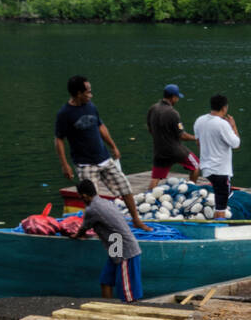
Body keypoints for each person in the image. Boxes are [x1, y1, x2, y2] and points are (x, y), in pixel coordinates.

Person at [54, 75, 149, 230]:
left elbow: (100, 126)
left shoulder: (91, 106)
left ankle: (136, 220)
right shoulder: (65, 113)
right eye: (88, 92)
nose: (91, 95)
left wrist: (113, 146)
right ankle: (95, 229)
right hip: (85, 163)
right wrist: (65, 165)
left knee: (125, 187)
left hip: (104, 158)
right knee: (92, 201)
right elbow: (58, 140)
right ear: (78, 93)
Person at [74, 178, 143, 302]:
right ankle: (107, 307)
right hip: (115, 248)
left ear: (84, 196)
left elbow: (83, 228)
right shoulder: (105, 202)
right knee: (105, 281)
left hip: (125, 250)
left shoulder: (92, 209)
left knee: (129, 295)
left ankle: (129, 317)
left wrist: (76, 236)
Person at [194, 94, 240, 219]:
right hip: (220, 170)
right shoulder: (223, 124)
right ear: (224, 108)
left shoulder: (199, 121)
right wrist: (233, 126)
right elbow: (236, 144)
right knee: (221, 206)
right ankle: (219, 230)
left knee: (219, 204)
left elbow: (198, 143)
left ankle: (216, 223)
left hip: (206, 169)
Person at [146, 84, 200, 188]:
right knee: (196, 166)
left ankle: (148, 197)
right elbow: (182, 135)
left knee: (156, 177)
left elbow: (150, 129)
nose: (178, 100)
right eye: (177, 97)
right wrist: (196, 138)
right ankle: (190, 189)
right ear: (173, 97)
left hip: (159, 150)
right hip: (175, 149)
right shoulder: (173, 113)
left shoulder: (152, 109)